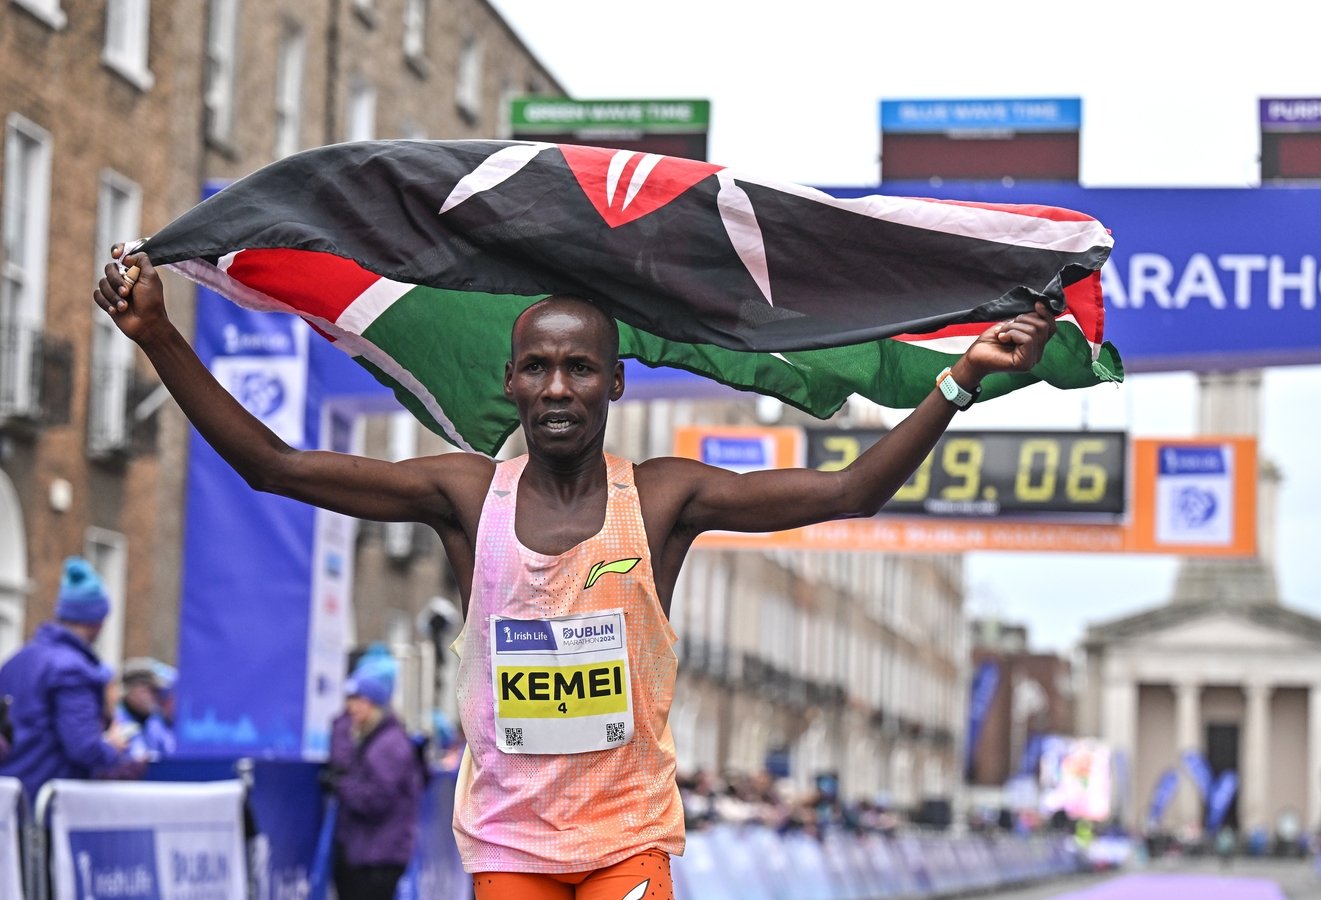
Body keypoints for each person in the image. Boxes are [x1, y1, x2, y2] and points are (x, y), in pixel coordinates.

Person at [96, 246, 1056, 900]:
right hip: (509, 842)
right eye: (540, 368)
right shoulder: (465, 496)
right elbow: (276, 467)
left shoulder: (666, 498)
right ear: (511, 381)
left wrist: (960, 379)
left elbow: (851, 491)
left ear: (615, 381)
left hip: (628, 839)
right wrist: (159, 338)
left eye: (581, 369)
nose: (559, 387)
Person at [0, 557, 135, 799]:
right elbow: (83, 747)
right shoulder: (73, 670)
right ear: (98, 622)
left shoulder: (17, 660)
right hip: (45, 801)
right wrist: (113, 749)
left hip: (9, 800)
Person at [324, 660, 424, 900]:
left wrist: (340, 785)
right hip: (373, 852)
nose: (352, 707)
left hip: (378, 857)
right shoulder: (379, 739)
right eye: (350, 700)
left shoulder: (387, 745)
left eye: (359, 700)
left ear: (374, 704)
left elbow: (376, 799)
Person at [112, 657, 179, 762]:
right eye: (151, 691)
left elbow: (170, 751)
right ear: (133, 691)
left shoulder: (155, 722)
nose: (156, 697)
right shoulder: (114, 723)